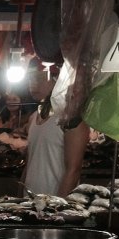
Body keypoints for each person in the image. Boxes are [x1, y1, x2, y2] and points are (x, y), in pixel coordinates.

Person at [21, 66, 89, 197]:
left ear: (57, 80)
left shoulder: (71, 120)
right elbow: (29, 162)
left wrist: (58, 208)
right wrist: (20, 197)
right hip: (28, 203)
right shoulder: (33, 118)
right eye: (30, 78)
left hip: (52, 204)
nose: (33, 83)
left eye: (39, 77)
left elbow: (73, 170)